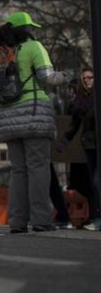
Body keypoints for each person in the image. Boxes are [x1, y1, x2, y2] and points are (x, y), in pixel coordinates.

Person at [0, 11, 67, 233]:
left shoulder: (1, 51)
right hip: (33, 112)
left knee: (18, 170)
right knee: (38, 167)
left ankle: (17, 221)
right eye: (30, 27)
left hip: (7, 115)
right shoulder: (34, 47)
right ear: (25, 30)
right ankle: (41, 219)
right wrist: (65, 76)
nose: (33, 30)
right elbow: (47, 77)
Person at [65, 67, 99, 230]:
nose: (87, 81)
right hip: (89, 143)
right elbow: (75, 122)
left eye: (90, 77)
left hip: (94, 142)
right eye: (84, 78)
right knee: (94, 182)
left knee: (98, 181)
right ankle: (97, 216)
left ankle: (98, 217)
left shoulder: (94, 97)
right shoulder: (80, 99)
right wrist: (65, 139)